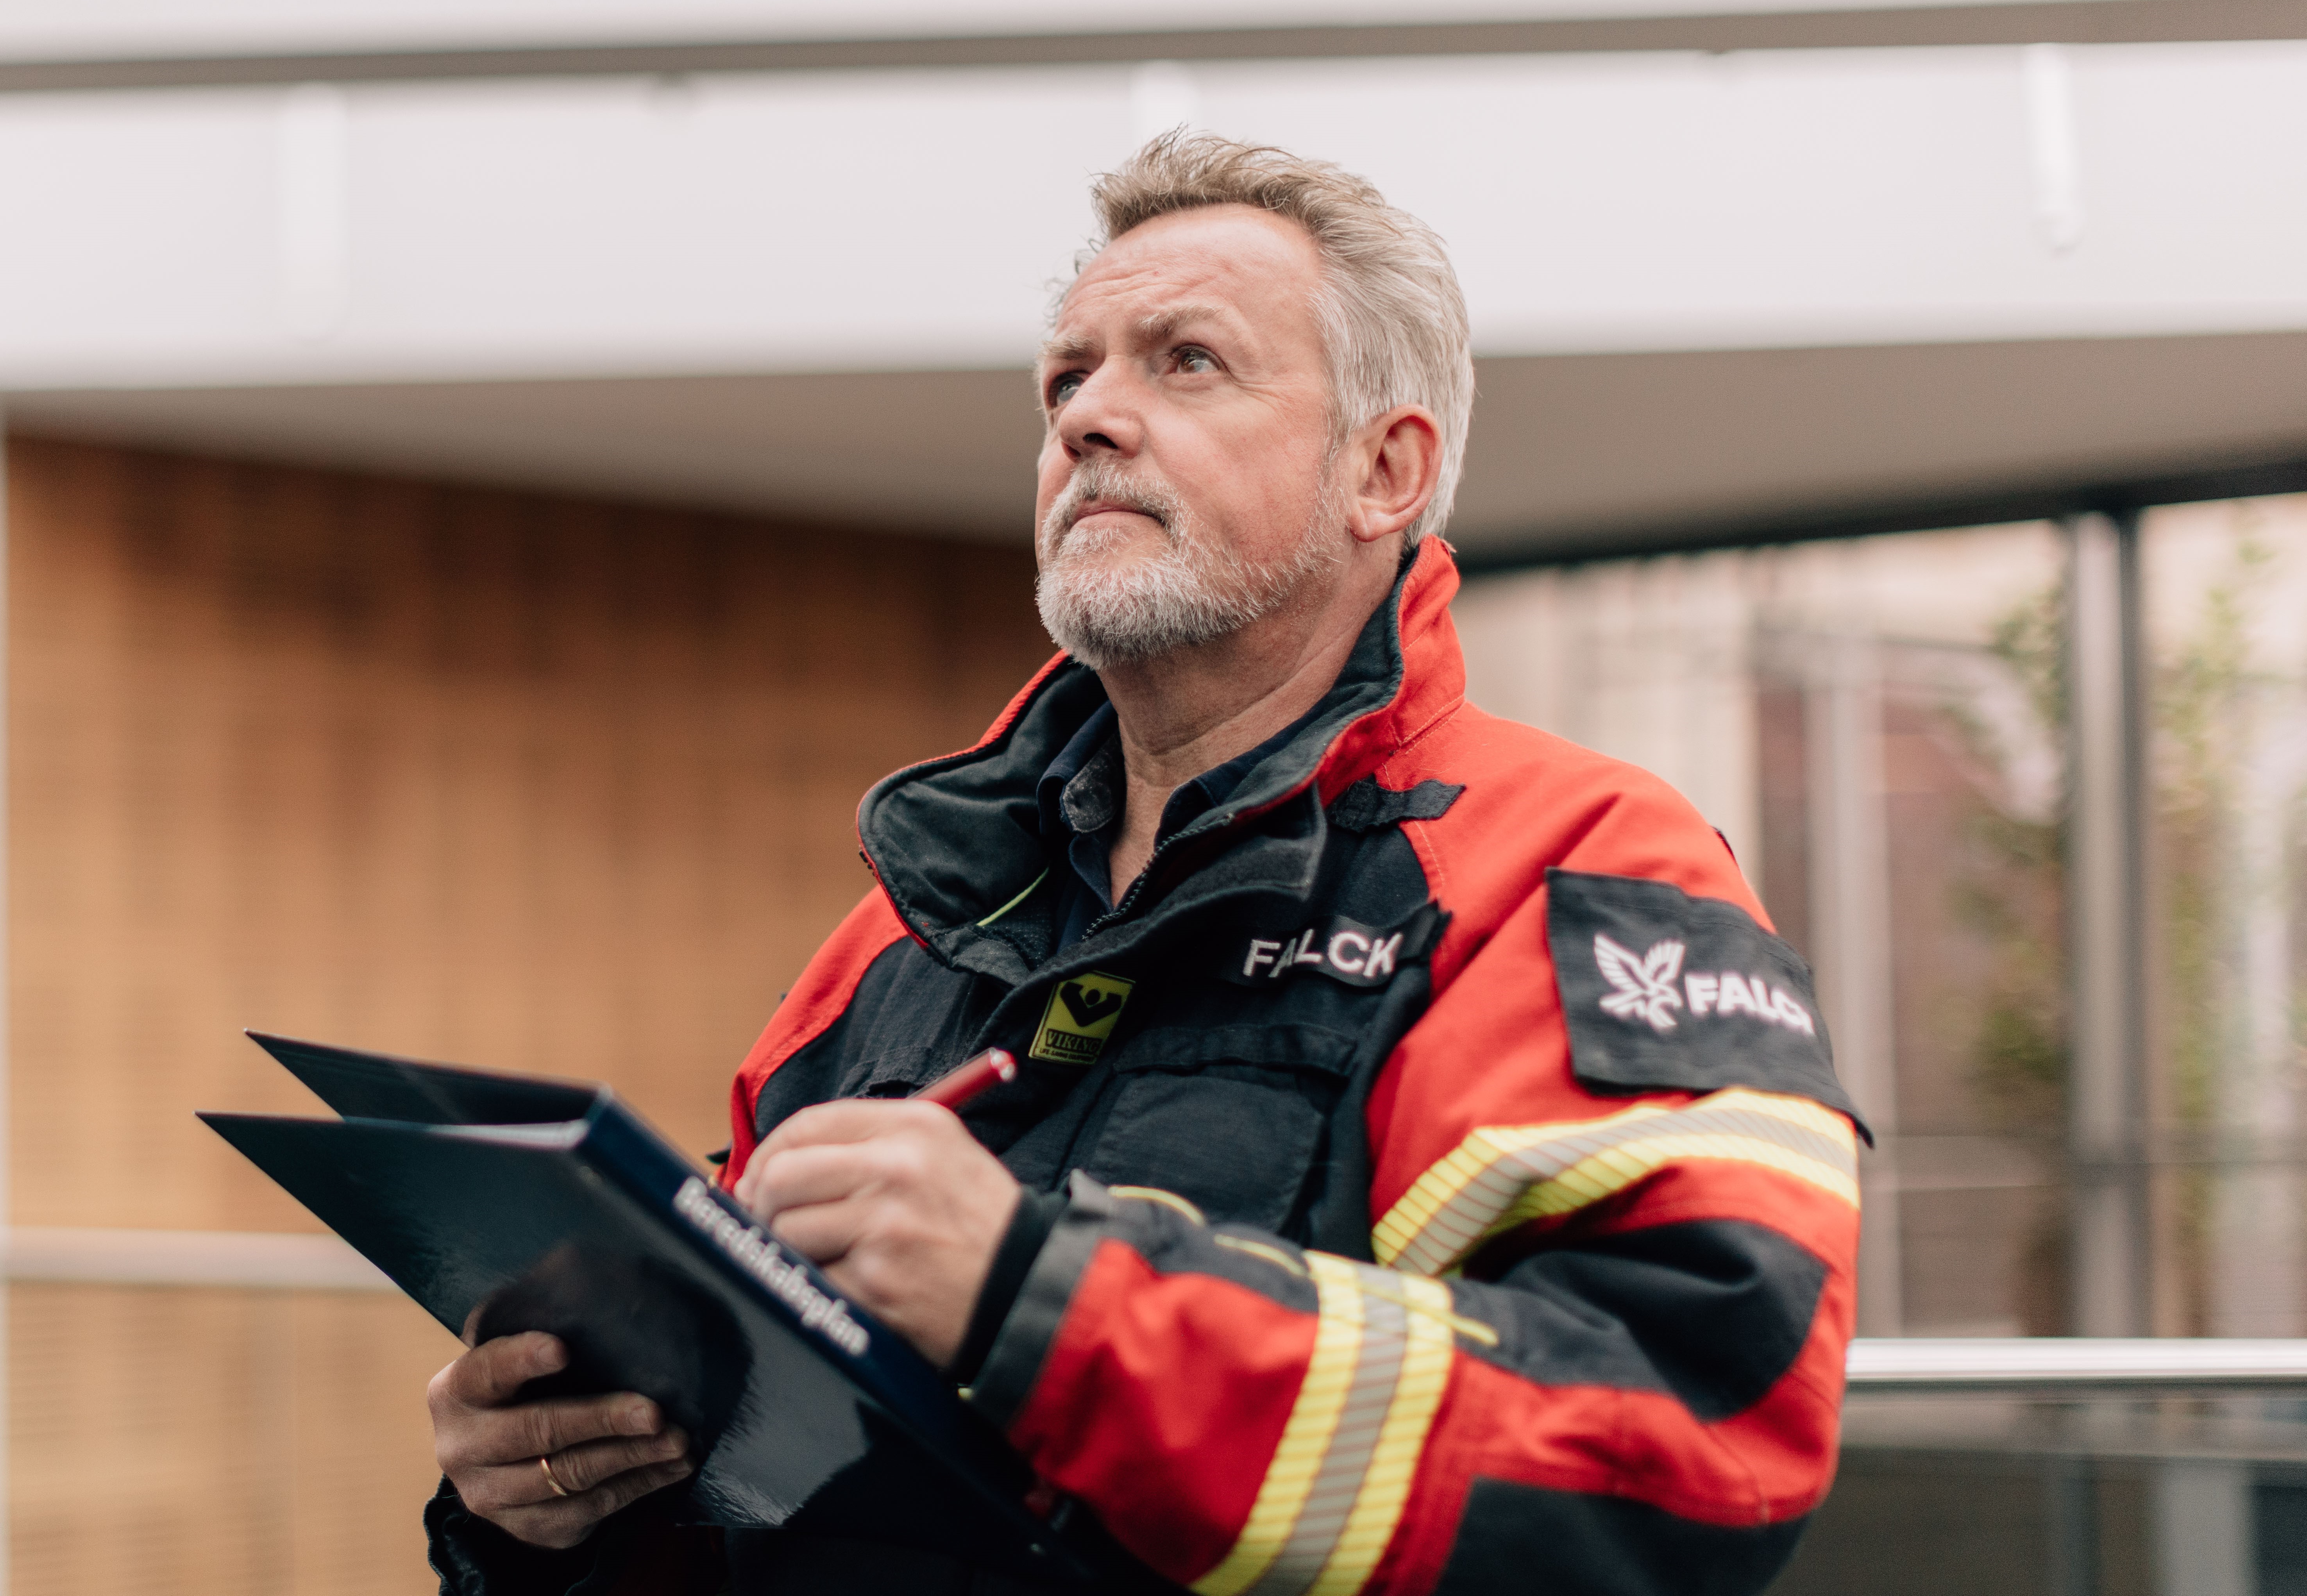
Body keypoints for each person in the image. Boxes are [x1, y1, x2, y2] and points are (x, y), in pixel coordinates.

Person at [423, 133, 1863, 1596]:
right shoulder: (900, 934)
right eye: (1067, 378)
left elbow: (1692, 1449)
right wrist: (549, 1507)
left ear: (1385, 470)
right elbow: (774, 1482)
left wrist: (1042, 1299)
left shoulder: (1571, 871)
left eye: (1188, 362)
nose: (1091, 419)